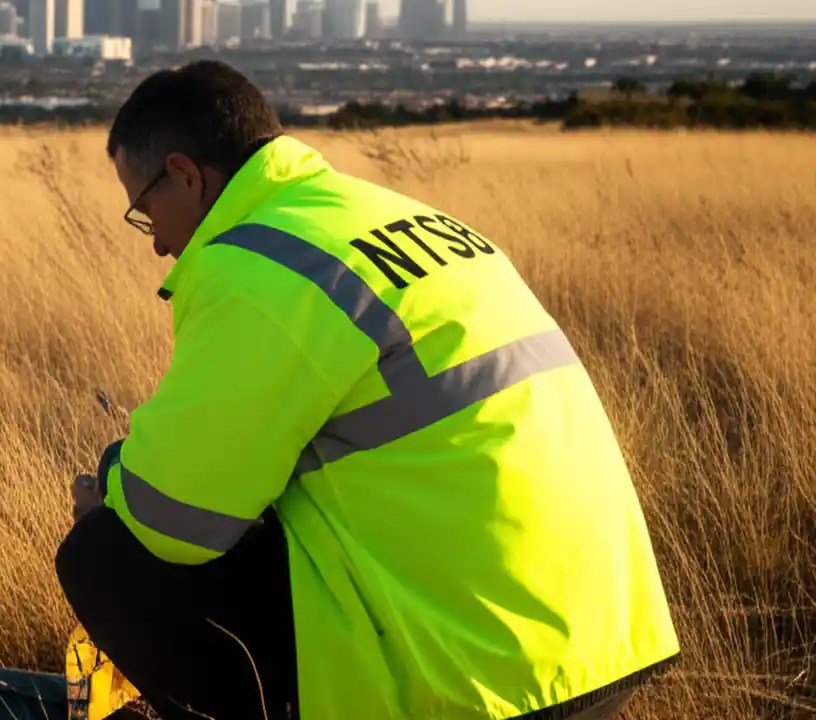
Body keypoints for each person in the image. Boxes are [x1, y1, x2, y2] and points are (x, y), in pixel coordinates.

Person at [55, 60, 681, 720]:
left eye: (143, 206)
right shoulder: (386, 214)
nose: (155, 242)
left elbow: (172, 519)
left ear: (185, 174)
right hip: (607, 635)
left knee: (104, 553)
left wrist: (108, 486)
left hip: (478, 679)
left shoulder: (254, 263)